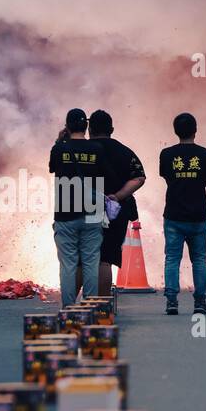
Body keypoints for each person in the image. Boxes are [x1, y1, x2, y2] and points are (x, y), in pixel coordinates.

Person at [49, 109, 106, 308]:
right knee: (91, 263)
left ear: (68, 126)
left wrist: (60, 141)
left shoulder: (58, 149)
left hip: (65, 211)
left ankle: (68, 309)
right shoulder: (97, 148)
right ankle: (89, 308)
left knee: (68, 265)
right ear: (86, 127)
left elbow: (53, 167)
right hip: (92, 211)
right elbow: (102, 174)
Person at [159, 112, 206, 316]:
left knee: (172, 258)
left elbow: (167, 178)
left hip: (174, 214)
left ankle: (171, 301)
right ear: (195, 130)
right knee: (199, 259)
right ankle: (200, 302)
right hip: (199, 215)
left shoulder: (166, 154)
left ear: (175, 131)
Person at [88, 109, 145, 296]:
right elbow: (139, 178)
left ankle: (76, 304)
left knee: (82, 258)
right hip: (116, 212)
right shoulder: (125, 152)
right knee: (105, 259)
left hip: (84, 209)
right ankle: (102, 306)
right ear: (111, 129)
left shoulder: (81, 150)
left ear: (89, 129)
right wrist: (118, 196)